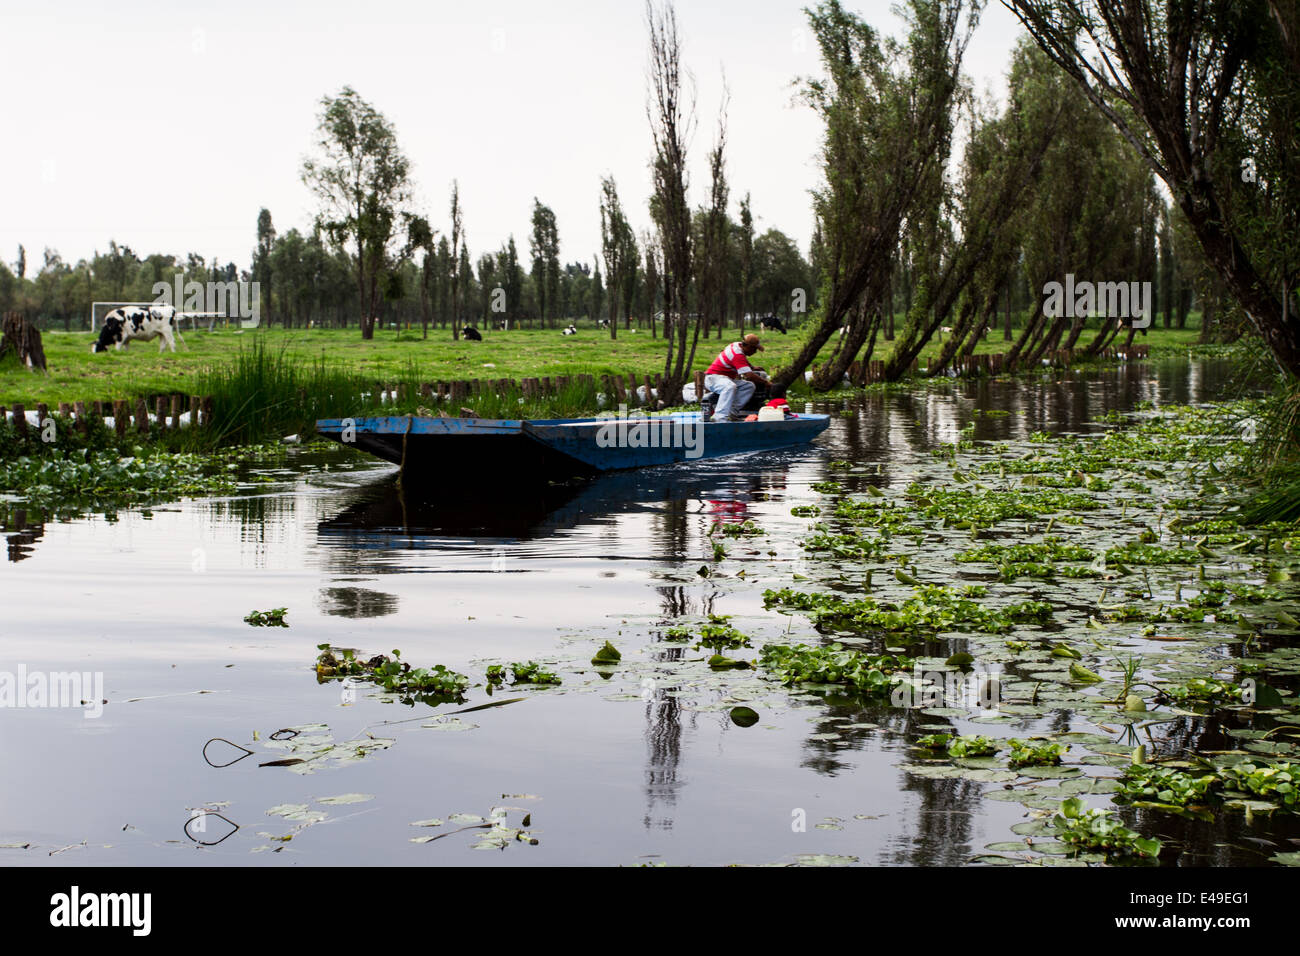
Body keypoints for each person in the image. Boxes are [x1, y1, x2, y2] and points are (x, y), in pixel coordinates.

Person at [704, 333, 766, 422]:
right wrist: (766, 383)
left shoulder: (737, 345)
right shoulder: (737, 354)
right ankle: (719, 417)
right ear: (748, 347)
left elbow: (742, 361)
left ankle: (731, 413)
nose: (755, 352)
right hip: (713, 378)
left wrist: (751, 367)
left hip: (725, 379)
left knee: (748, 386)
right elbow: (749, 375)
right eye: (754, 349)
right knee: (729, 386)